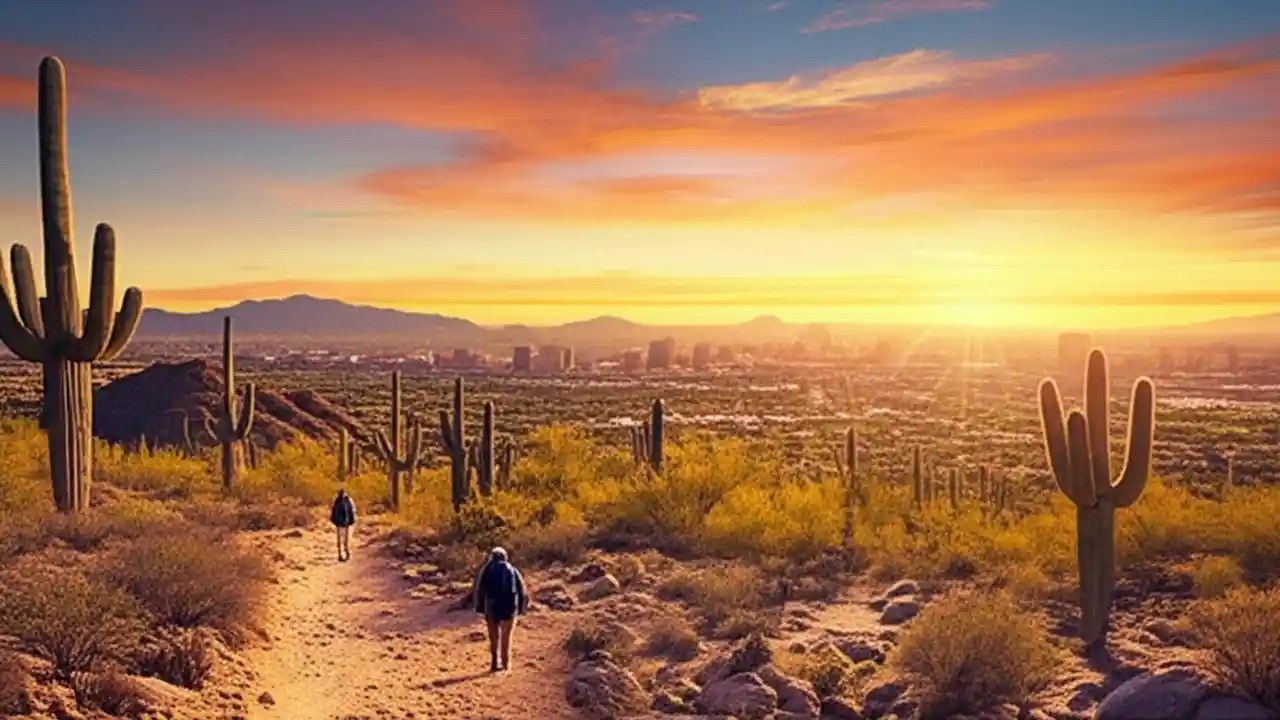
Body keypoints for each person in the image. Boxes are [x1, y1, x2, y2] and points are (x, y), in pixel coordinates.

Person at [471, 547, 528, 672]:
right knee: (506, 637)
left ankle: (494, 662)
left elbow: (479, 589)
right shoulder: (513, 570)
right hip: (509, 608)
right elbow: (522, 591)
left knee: (494, 637)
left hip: (491, 609)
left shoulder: (486, 570)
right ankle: (506, 664)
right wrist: (521, 609)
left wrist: (480, 608)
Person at [329, 489, 356, 562]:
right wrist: (352, 521)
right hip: (345, 523)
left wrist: (334, 521)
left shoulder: (337, 501)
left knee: (341, 540)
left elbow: (333, 512)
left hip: (340, 523)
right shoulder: (347, 500)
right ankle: (345, 553)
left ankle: (342, 554)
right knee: (345, 540)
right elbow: (352, 511)